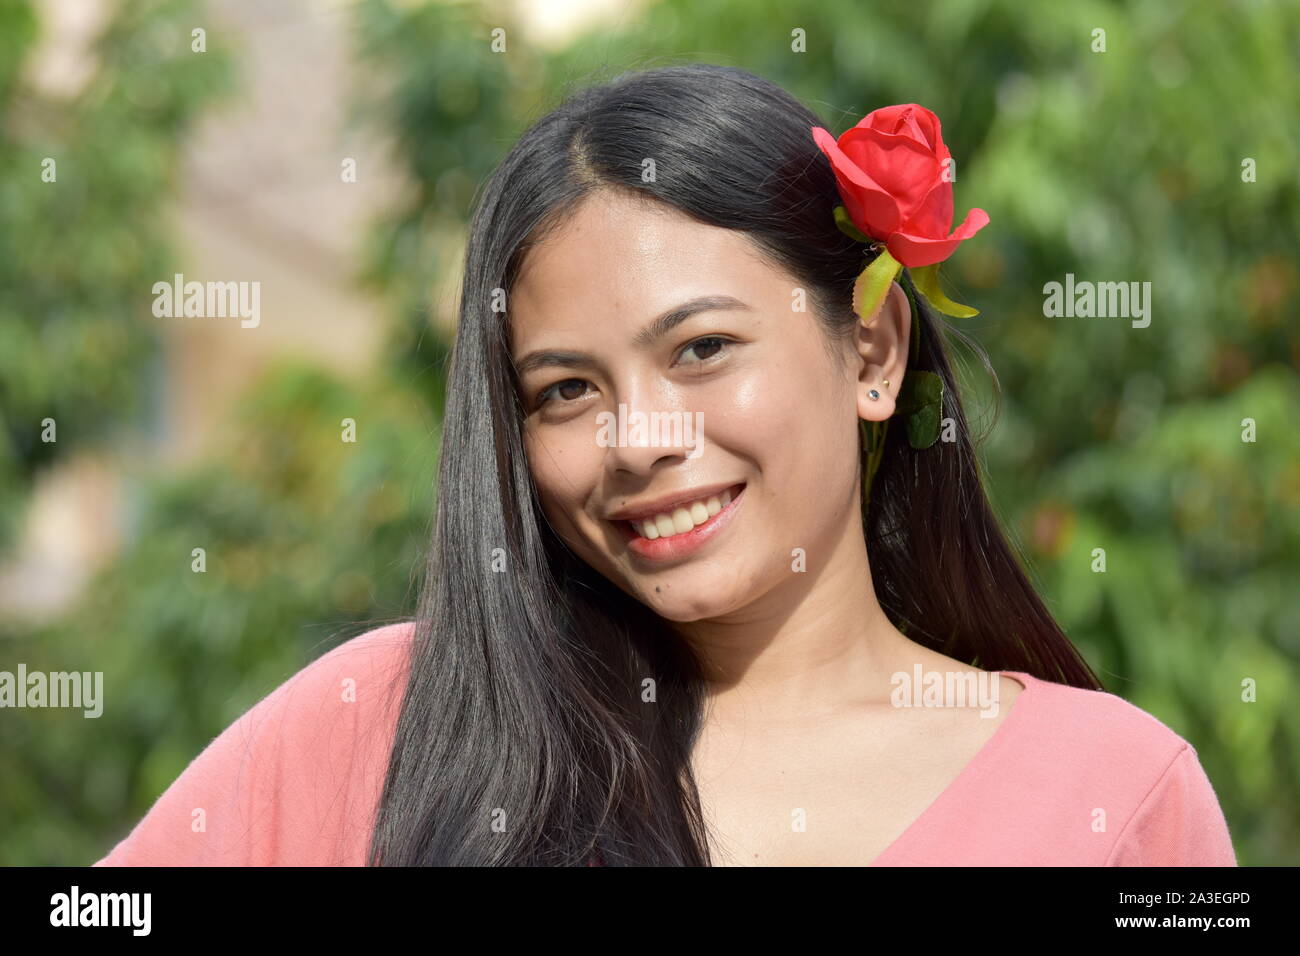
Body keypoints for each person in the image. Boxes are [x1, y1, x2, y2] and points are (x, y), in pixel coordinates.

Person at [96, 63, 1235, 867]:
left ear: (873, 353)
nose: (636, 437)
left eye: (701, 348)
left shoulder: (1115, 795)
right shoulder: (394, 719)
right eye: (564, 390)